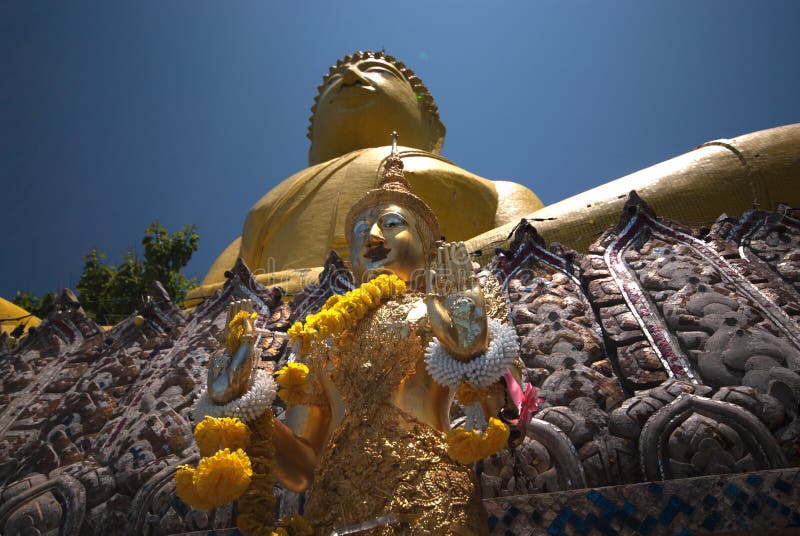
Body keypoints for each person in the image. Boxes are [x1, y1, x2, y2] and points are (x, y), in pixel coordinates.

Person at [190, 137, 523, 535]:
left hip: (433, 503)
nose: (373, 236)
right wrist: (244, 405)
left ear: (427, 244)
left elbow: (498, 421)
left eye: (393, 223)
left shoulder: (456, 304)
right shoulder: (323, 335)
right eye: (362, 229)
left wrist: (473, 353)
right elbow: (300, 472)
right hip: (333, 515)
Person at [187, 51, 543, 303]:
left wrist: (434, 269)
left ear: (430, 126)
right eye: (333, 85)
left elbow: (538, 258)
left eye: (378, 71)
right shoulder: (267, 208)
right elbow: (198, 305)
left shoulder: (500, 192)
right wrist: (310, 284)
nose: (352, 77)